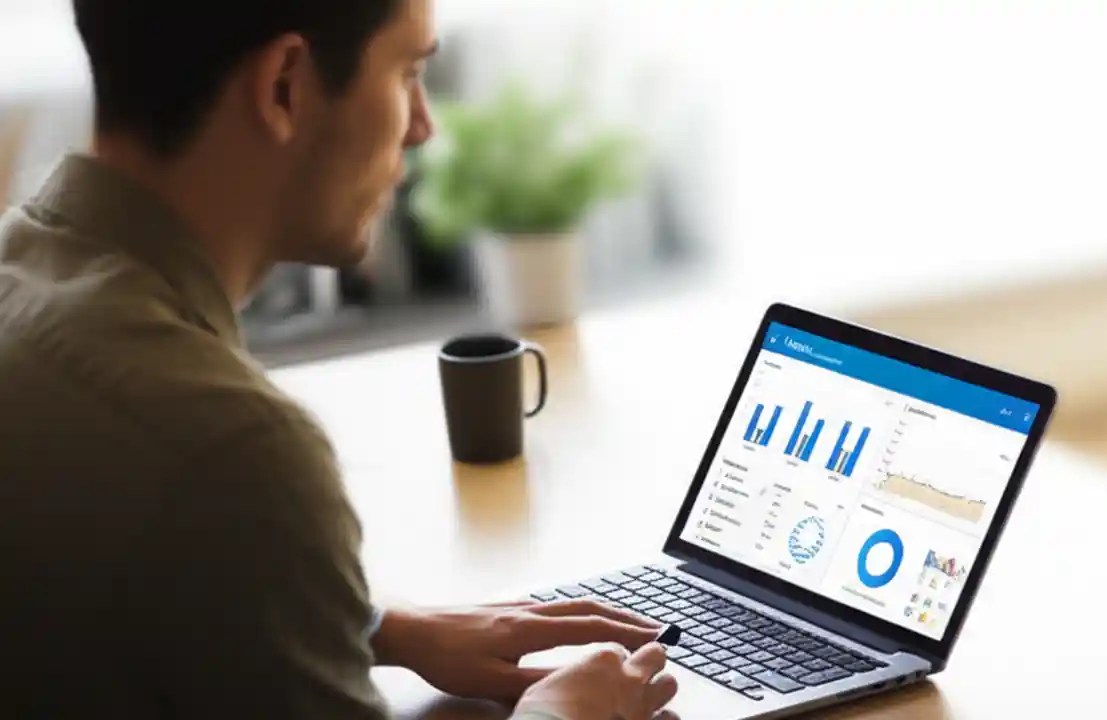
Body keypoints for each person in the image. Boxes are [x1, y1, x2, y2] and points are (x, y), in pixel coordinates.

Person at [0, 1, 678, 718]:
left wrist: (374, 626)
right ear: (284, 87)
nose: (423, 125)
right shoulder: (230, 450)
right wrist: (562, 714)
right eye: (409, 74)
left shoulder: (24, 280)